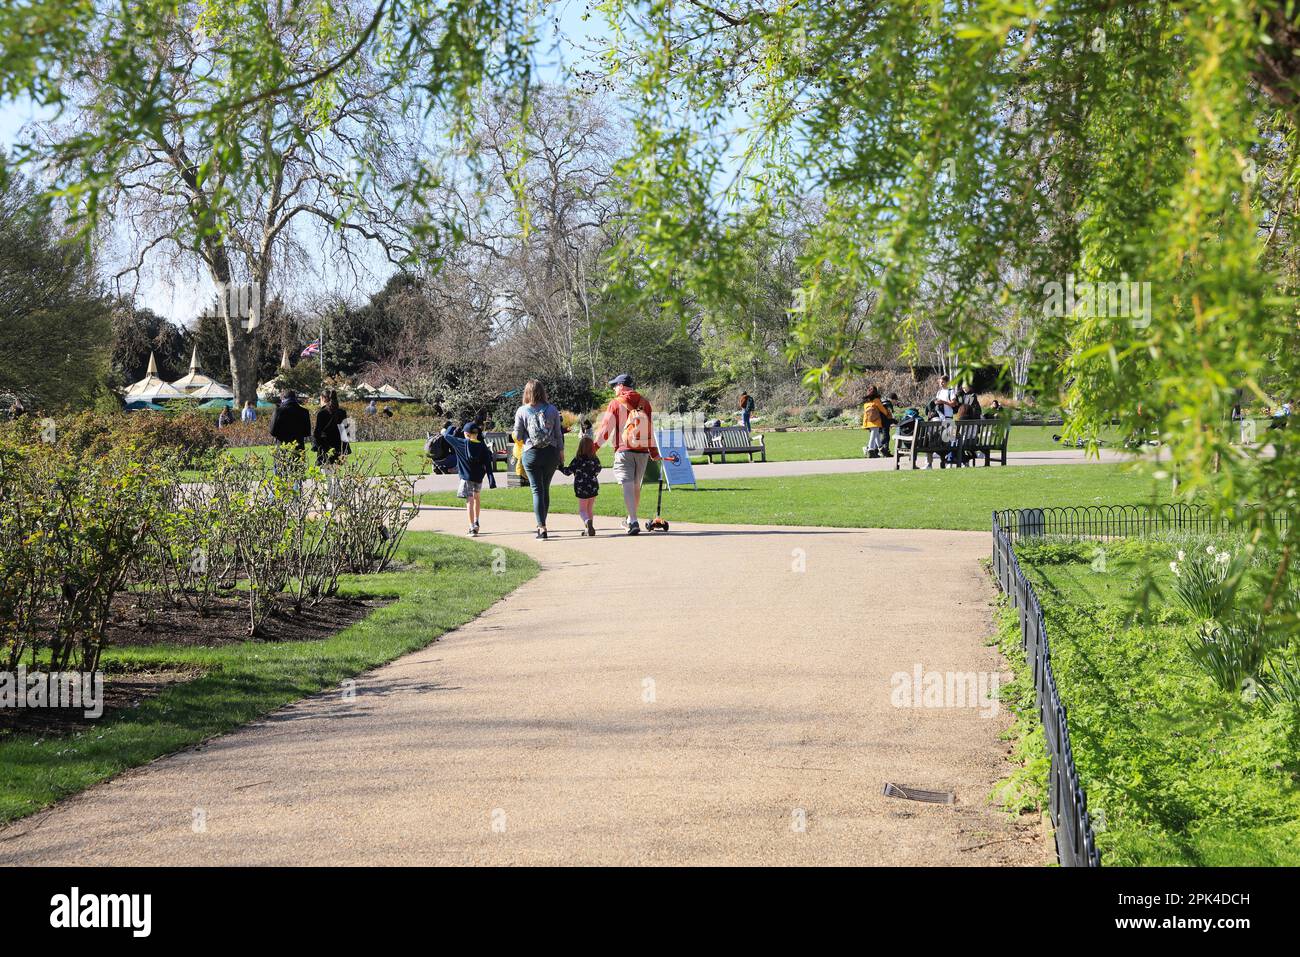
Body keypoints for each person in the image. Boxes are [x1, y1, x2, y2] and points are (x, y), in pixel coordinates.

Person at [594, 373, 669, 536]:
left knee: (627, 484)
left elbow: (605, 430)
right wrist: (654, 452)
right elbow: (650, 429)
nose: (614, 388)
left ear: (621, 385)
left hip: (624, 449)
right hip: (642, 451)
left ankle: (633, 521)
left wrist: (592, 450)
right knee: (636, 486)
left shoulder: (615, 403)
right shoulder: (645, 403)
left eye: (615, 385)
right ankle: (630, 518)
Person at [511, 379, 565, 539]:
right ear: (543, 392)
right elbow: (558, 434)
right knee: (545, 488)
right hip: (551, 453)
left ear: (527, 393)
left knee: (536, 490)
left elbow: (518, 435)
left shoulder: (522, 411)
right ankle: (543, 523)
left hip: (531, 453)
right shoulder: (552, 410)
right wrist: (561, 453)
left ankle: (541, 527)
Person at [441, 421, 497, 535]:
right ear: (477, 433)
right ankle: (476, 522)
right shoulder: (483, 446)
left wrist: (450, 427)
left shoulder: (460, 443)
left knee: (469, 500)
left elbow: (446, 436)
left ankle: (471, 527)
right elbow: (488, 464)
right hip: (478, 477)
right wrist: (491, 479)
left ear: (466, 434)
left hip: (466, 477)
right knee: (477, 497)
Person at [559, 435, 603, 537]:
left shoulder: (577, 459)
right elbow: (599, 469)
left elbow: (568, 471)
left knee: (582, 510)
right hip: (593, 486)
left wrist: (560, 467)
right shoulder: (594, 459)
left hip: (581, 487)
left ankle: (587, 522)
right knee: (589, 509)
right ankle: (588, 528)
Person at [313, 390, 344, 466]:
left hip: (325, 446)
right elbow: (345, 432)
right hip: (338, 445)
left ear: (323, 399)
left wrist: (316, 446)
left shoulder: (321, 413)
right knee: (336, 473)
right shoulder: (342, 412)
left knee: (325, 472)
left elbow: (317, 432)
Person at [861, 386, 892, 458]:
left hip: (868, 420)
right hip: (875, 421)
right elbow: (882, 409)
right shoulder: (876, 400)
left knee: (876, 435)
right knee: (873, 435)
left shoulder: (866, 401)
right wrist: (887, 413)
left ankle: (881, 449)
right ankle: (870, 450)